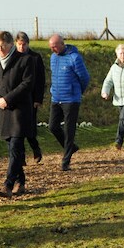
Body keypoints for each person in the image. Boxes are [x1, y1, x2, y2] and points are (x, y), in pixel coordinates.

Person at [0, 30, 36, 197]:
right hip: (4, 112)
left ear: (10, 44)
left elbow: (27, 84)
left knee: (15, 147)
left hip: (20, 112)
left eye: (2, 46)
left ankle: (7, 185)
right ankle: (20, 182)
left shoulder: (25, 60)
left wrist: (8, 98)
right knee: (13, 150)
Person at [48, 34, 90, 171]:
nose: (53, 49)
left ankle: (66, 161)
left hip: (71, 99)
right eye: (51, 47)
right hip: (56, 98)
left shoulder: (74, 57)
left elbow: (84, 78)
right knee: (53, 126)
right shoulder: (53, 58)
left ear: (62, 43)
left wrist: (77, 91)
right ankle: (71, 147)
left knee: (69, 129)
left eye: (54, 46)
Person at [15, 32, 44, 163]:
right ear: (16, 44)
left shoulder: (35, 58)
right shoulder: (12, 57)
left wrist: (38, 99)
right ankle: (20, 158)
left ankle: (35, 148)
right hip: (16, 98)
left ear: (28, 44)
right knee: (17, 129)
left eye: (24, 44)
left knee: (30, 127)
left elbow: (40, 80)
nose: (22, 47)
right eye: (20, 44)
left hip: (31, 98)